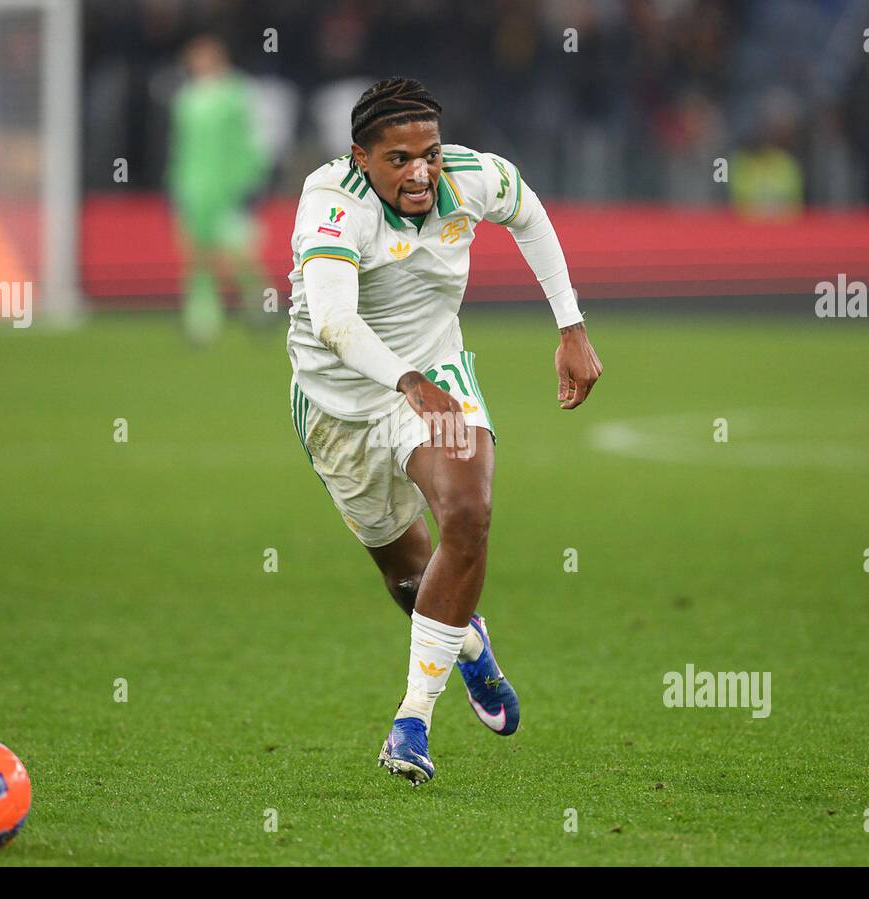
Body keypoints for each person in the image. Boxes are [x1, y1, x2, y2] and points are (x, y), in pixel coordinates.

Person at [285, 77, 603, 785]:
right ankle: (469, 647)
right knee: (409, 577)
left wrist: (570, 327)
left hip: (437, 378)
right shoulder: (332, 203)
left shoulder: (471, 175)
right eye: (399, 158)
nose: (420, 171)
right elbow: (336, 324)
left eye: (428, 152)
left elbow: (530, 214)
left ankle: (412, 723)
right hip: (340, 404)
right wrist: (404, 384)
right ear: (360, 158)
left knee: (468, 512)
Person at [166, 35, 267, 345]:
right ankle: (202, 322)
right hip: (193, 188)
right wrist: (176, 183)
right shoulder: (185, 98)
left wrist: (249, 180)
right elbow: (180, 147)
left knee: (238, 255)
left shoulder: (236, 94)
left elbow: (248, 140)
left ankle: (260, 307)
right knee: (198, 256)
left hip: (229, 188)